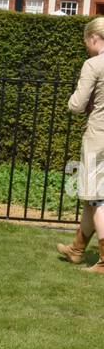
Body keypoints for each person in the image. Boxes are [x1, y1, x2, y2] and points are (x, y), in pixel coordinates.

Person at [57, 16, 104, 273]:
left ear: (94, 38)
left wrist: (76, 101)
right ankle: (76, 249)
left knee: (97, 199)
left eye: (86, 40)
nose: (86, 45)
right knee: (92, 196)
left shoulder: (93, 64)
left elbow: (76, 104)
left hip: (99, 137)